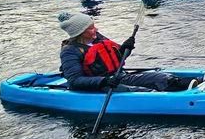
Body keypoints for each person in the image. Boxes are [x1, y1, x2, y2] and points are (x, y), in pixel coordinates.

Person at [57, 11, 190, 92]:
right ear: (80, 32)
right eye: (91, 28)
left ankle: (194, 82)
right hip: (98, 87)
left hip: (118, 77)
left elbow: (117, 57)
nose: (96, 29)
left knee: (161, 78)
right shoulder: (70, 52)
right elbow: (75, 81)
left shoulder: (98, 38)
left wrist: (127, 47)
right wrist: (104, 81)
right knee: (144, 91)